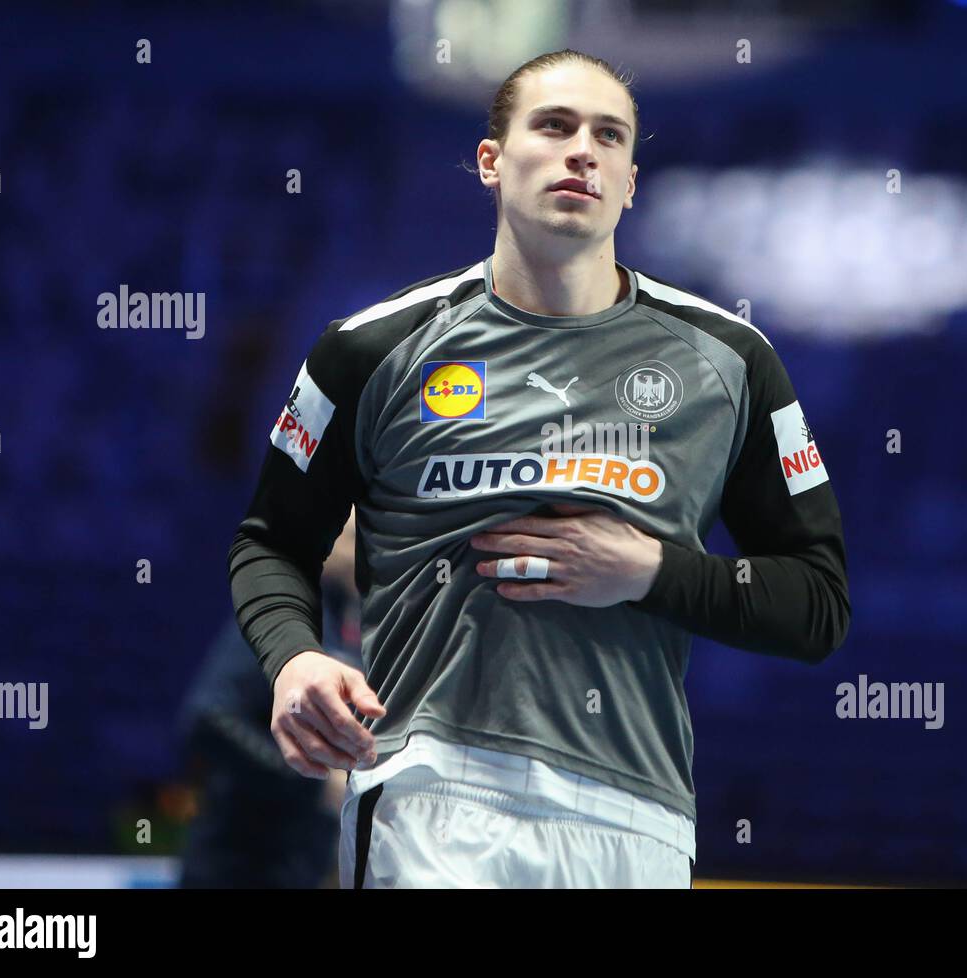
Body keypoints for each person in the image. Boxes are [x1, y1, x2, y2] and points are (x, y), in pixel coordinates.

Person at [228, 48, 850, 889]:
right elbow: (272, 542)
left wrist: (650, 572)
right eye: (554, 126)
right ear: (492, 160)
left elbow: (816, 603)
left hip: (639, 818)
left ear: (630, 181)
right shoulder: (369, 351)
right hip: (433, 793)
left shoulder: (730, 362)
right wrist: (294, 659)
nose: (581, 151)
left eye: (609, 136)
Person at [180, 512, 361, 887]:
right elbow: (206, 716)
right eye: (348, 537)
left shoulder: (350, 623)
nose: (363, 549)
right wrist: (312, 780)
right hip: (237, 866)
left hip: (297, 867)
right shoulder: (281, 617)